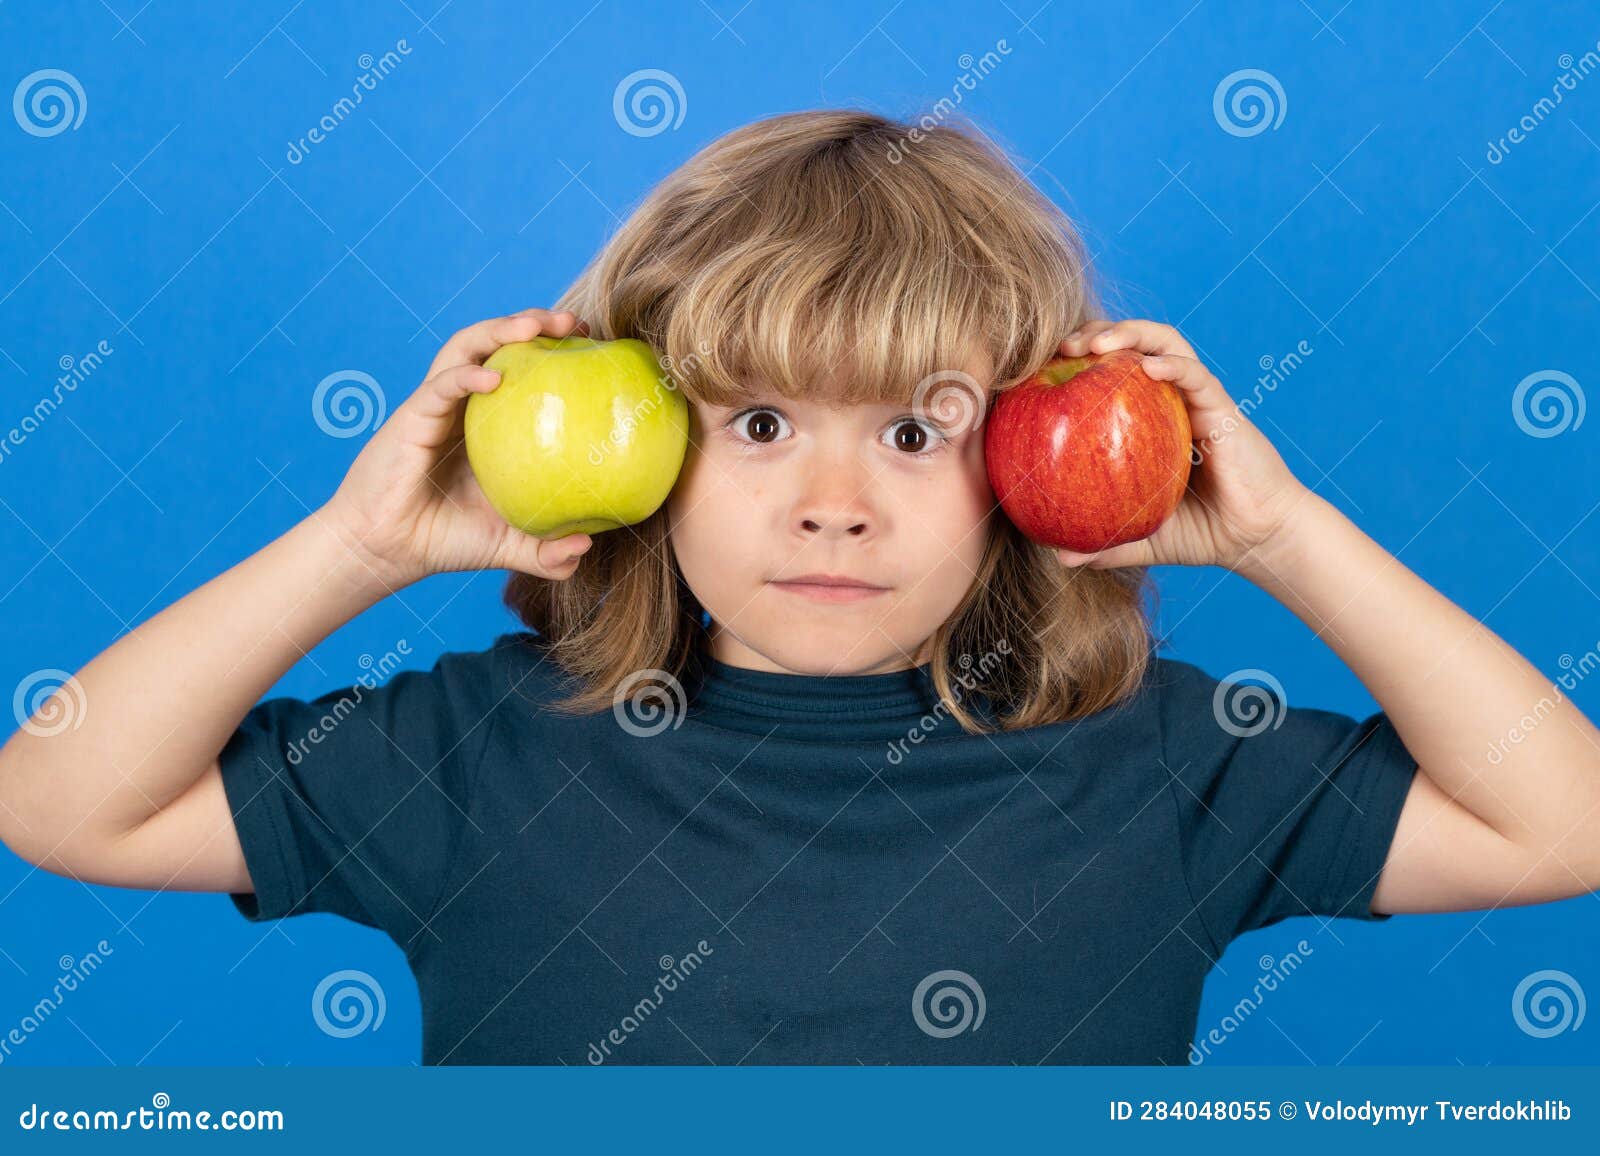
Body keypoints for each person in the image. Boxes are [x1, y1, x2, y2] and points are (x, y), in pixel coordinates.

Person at [3, 109, 1596, 1065]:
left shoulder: (1170, 762)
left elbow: (1564, 823)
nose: (835, 506)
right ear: (641, 448)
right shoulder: (473, 752)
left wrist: (1282, 537)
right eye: (758, 424)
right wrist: (356, 548)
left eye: (917, 429)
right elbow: (58, 800)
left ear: (1021, 464)